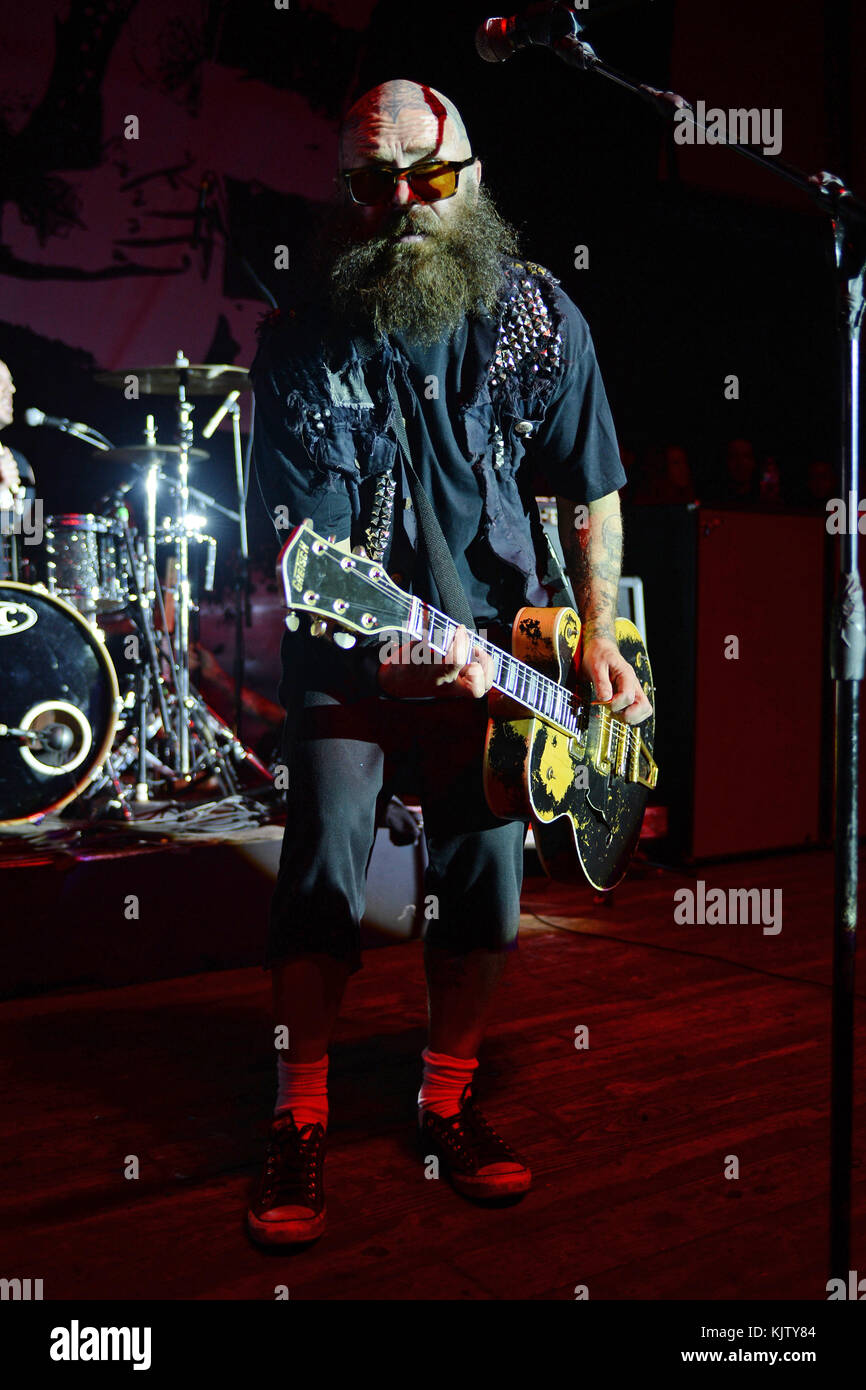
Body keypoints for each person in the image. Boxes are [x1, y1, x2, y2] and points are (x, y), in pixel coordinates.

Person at [248, 79, 652, 1246]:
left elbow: (593, 486)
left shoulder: (534, 314)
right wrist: (396, 652)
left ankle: (445, 1100)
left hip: (508, 650)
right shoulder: (301, 340)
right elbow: (309, 558)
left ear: (470, 176)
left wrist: (592, 629)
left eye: (431, 177)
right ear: (346, 192)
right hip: (355, 643)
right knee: (322, 874)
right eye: (377, 184)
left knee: (485, 891)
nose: (407, 202)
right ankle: (298, 1114)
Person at [0, 359, 37, 579]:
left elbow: (35, 533)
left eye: (11, 382)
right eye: (0, 382)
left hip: (10, 597)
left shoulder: (20, 465)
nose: (11, 389)